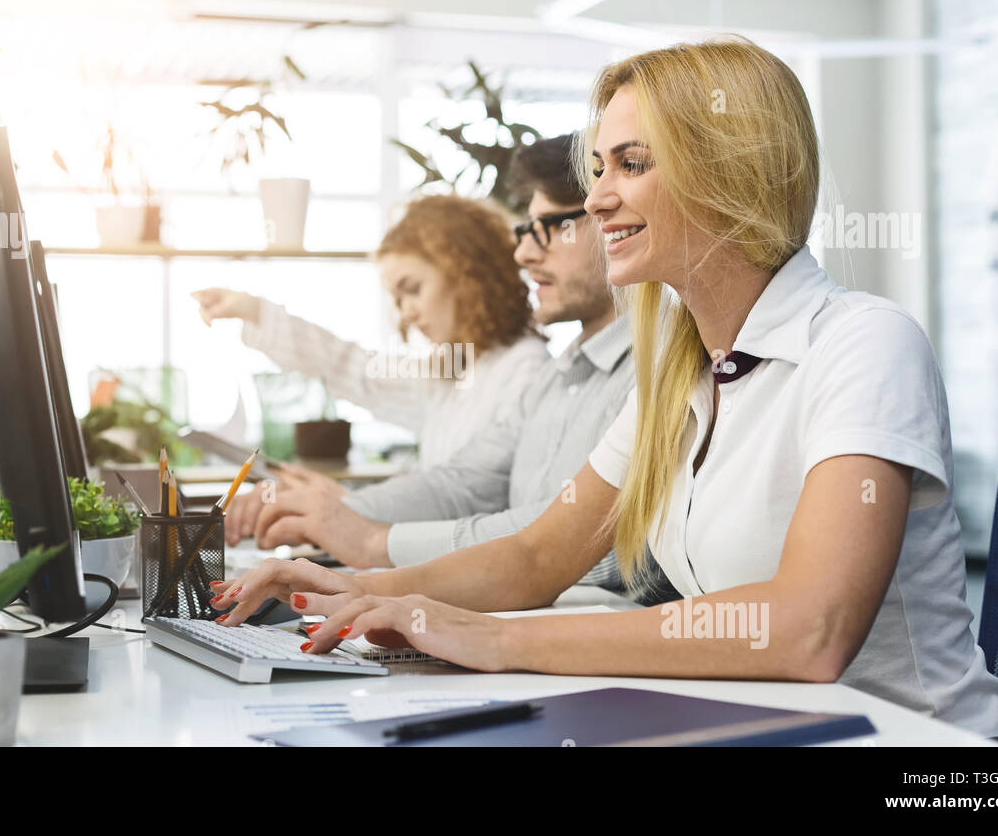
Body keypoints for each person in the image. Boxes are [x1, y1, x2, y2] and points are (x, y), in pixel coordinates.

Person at [207, 37, 998, 736]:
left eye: (630, 165)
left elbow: (807, 627)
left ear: (727, 172)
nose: (596, 199)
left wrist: (495, 638)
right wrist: (353, 587)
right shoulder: (680, 376)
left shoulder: (863, 343)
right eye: (600, 168)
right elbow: (537, 555)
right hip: (772, 731)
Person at [227, 134, 672, 598]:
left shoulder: (651, 367)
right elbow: (463, 482)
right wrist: (335, 515)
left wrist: (371, 539)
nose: (522, 255)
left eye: (548, 228)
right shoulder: (556, 375)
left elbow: (573, 544)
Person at [193, 194, 547, 471]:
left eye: (413, 288)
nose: (406, 312)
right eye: (398, 297)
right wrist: (255, 312)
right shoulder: (455, 369)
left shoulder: (524, 371)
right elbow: (353, 368)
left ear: (466, 273)